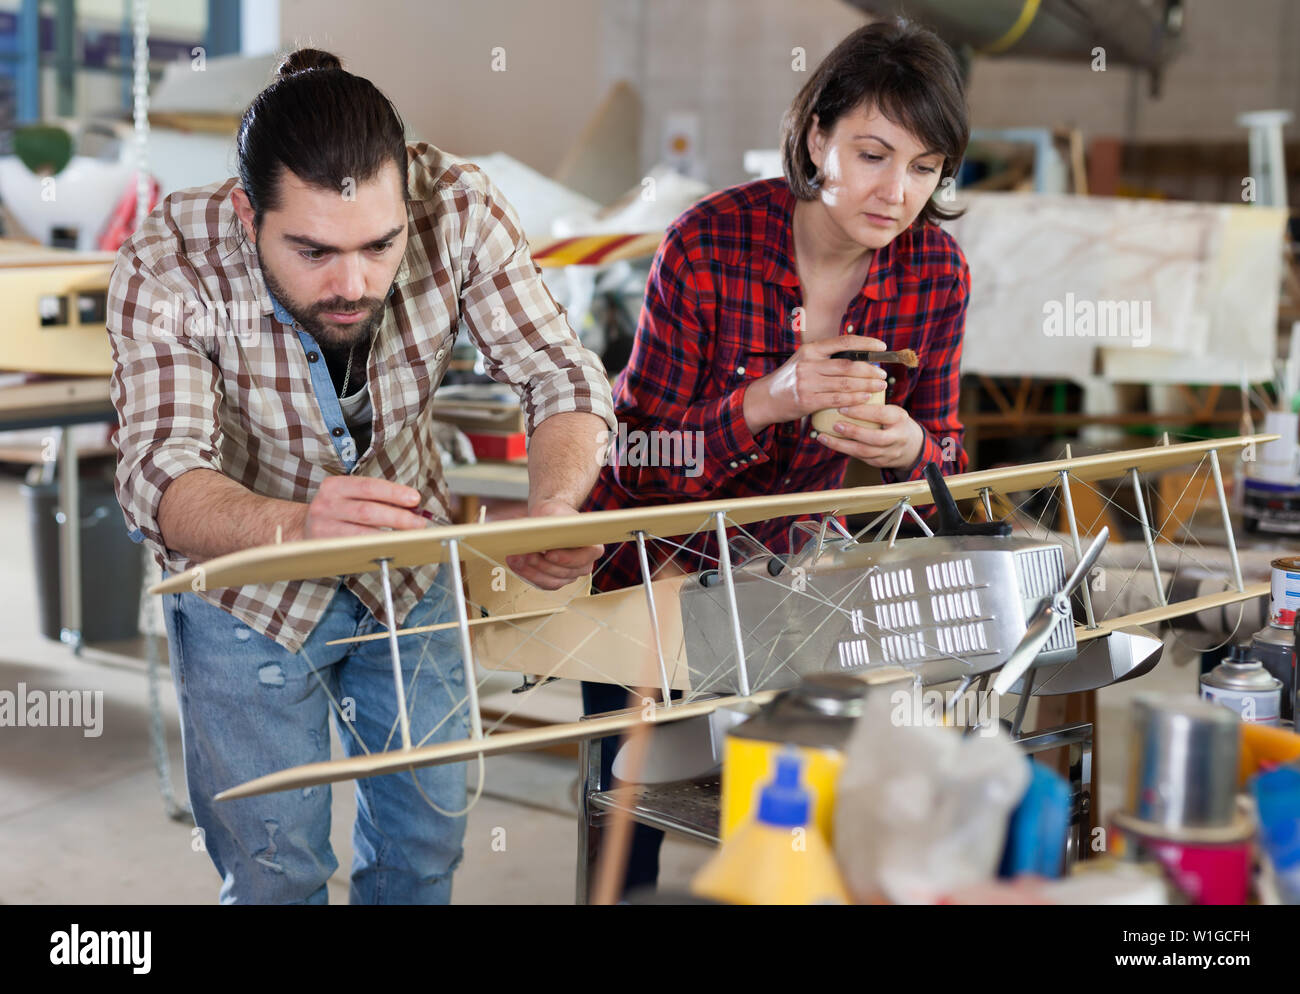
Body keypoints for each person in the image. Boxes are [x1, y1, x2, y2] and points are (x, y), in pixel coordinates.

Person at [108, 49, 613, 904]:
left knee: (424, 849)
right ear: (245, 212)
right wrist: (295, 526)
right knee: (278, 873)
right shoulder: (171, 261)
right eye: (312, 251)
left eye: (380, 246)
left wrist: (555, 504)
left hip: (410, 572)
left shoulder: (457, 204)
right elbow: (159, 474)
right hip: (247, 596)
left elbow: (558, 372)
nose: (352, 284)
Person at [580, 18, 973, 894]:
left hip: (787, 573)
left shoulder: (935, 274)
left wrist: (909, 445)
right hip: (648, 573)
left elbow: (945, 453)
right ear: (814, 137)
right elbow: (637, 455)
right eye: (872, 154)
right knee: (630, 818)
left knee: (781, 810)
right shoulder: (707, 245)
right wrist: (768, 402)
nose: (897, 192)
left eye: (925, 167)